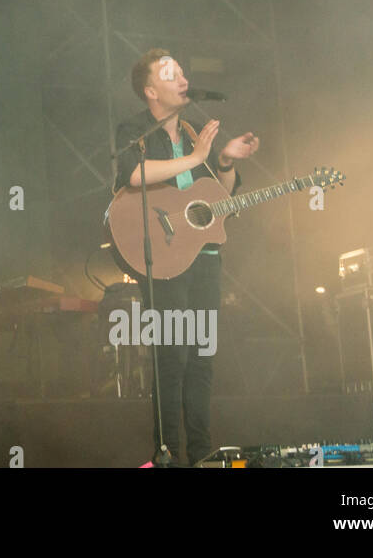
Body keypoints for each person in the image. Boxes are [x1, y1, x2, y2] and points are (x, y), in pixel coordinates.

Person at [112, 49, 260, 466]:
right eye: (169, 73)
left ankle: (200, 454)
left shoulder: (195, 135)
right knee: (171, 356)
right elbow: (132, 174)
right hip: (162, 257)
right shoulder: (136, 130)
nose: (182, 79)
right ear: (150, 91)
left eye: (181, 71)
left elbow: (220, 198)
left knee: (201, 358)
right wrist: (195, 159)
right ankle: (167, 454)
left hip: (204, 256)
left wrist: (225, 161)